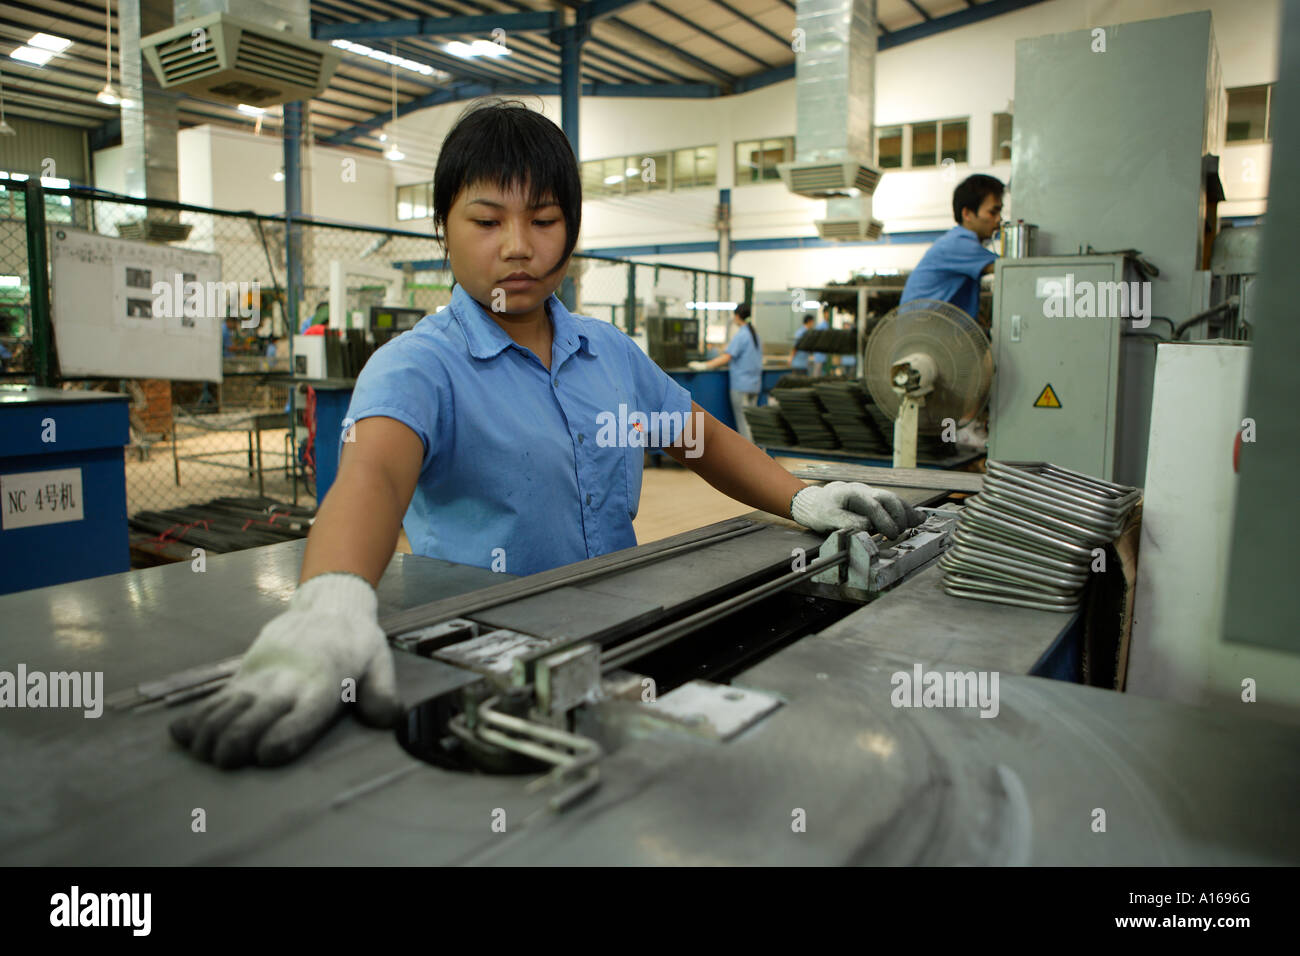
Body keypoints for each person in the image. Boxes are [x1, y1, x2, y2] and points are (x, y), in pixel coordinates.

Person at [170, 100, 923, 769]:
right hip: (488, 662)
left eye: (544, 219)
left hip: (630, 636)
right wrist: (330, 603)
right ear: (443, 228)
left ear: (572, 231)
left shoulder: (610, 355)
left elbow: (699, 439)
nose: (519, 246)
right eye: (488, 220)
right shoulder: (419, 368)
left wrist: (803, 501)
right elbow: (372, 479)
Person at [901, 174, 1003, 320]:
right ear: (967, 214)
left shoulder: (958, 241)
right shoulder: (959, 244)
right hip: (923, 332)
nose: (999, 219)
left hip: (926, 334)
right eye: (993, 212)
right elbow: (1007, 268)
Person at [689, 304, 762, 441]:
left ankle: (746, 458)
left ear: (736, 316)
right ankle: (754, 455)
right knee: (751, 423)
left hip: (741, 386)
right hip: (754, 385)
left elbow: (727, 357)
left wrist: (705, 365)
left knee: (744, 425)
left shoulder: (742, 335)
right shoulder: (755, 335)